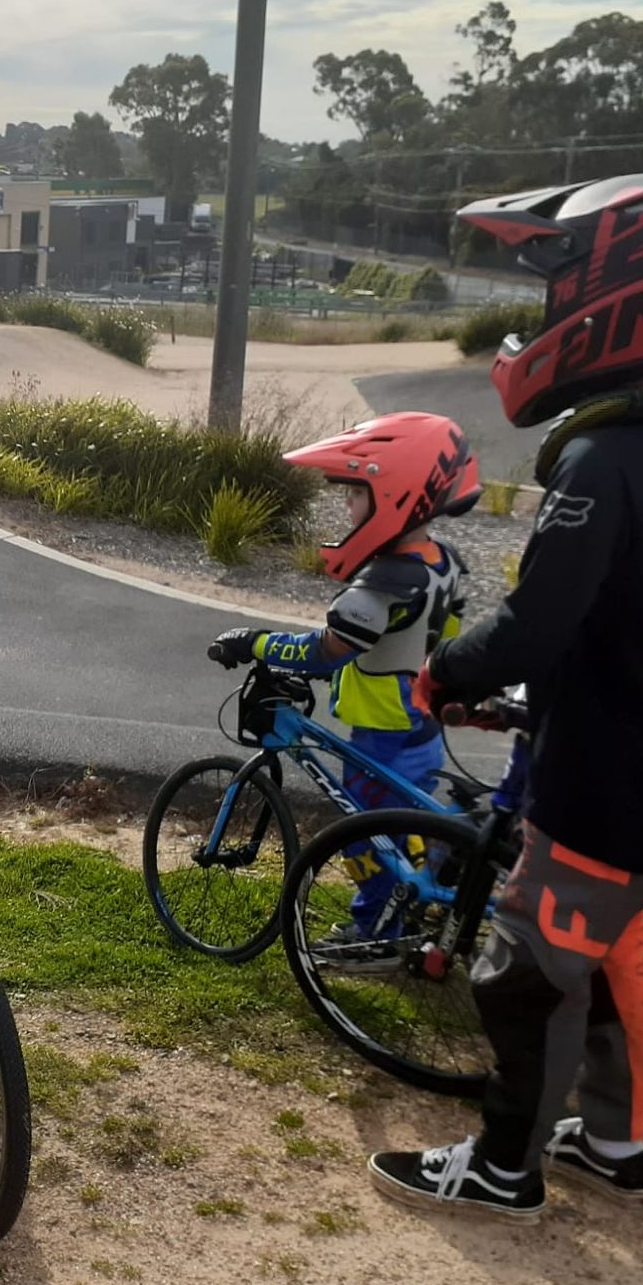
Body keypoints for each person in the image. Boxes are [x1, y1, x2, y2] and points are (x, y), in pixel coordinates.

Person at [368, 171, 643, 1221]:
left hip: (598, 777)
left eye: (556, 294)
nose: (543, 319)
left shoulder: (603, 458)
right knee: (606, 963)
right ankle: (614, 1138)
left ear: (629, 295)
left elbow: (538, 621)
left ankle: (503, 1167)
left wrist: (444, 671)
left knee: (524, 977)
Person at [211, 412, 481, 967]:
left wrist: (255, 642)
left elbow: (326, 649)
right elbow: (437, 639)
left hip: (382, 730)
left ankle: (373, 937)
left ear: (395, 495)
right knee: (408, 824)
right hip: (423, 723)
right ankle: (421, 899)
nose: (348, 509)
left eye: (356, 496)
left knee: (363, 838)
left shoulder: (383, 583)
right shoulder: (444, 564)